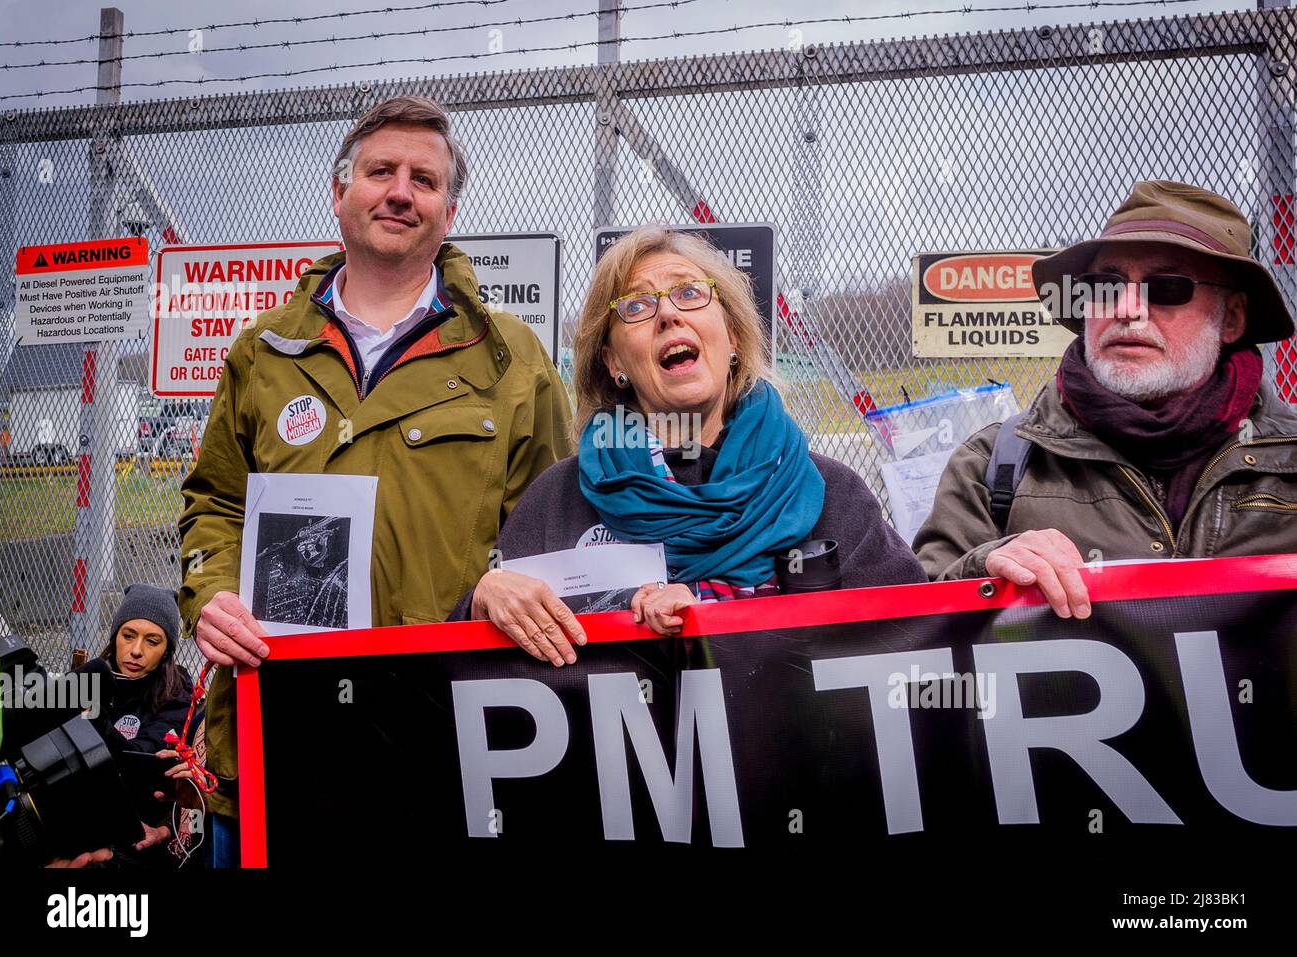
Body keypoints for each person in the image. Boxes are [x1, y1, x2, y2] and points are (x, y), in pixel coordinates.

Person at [178, 95, 573, 862]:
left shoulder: (513, 360)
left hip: (440, 741)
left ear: (448, 210)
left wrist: (501, 583)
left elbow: (556, 530)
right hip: (275, 732)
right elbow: (215, 501)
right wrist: (211, 593)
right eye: (380, 170)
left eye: (424, 180)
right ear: (340, 192)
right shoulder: (262, 351)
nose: (400, 191)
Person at [455, 224, 925, 661]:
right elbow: (471, 678)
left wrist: (718, 619)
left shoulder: (825, 490)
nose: (668, 315)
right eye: (636, 307)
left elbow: (917, 642)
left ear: (734, 337)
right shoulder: (561, 498)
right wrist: (481, 603)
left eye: (689, 293)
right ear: (614, 362)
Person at [913, 180, 1297, 616]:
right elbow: (914, 629)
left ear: (1231, 318)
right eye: (1105, 286)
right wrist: (986, 569)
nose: (1127, 308)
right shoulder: (994, 463)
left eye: (1167, 286)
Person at [91, 583, 193, 859]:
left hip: (140, 830)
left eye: (152, 641)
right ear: (114, 638)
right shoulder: (92, 680)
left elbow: (138, 759)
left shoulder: (178, 697)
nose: (136, 650)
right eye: (128, 635)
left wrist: (91, 717)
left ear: (166, 651)